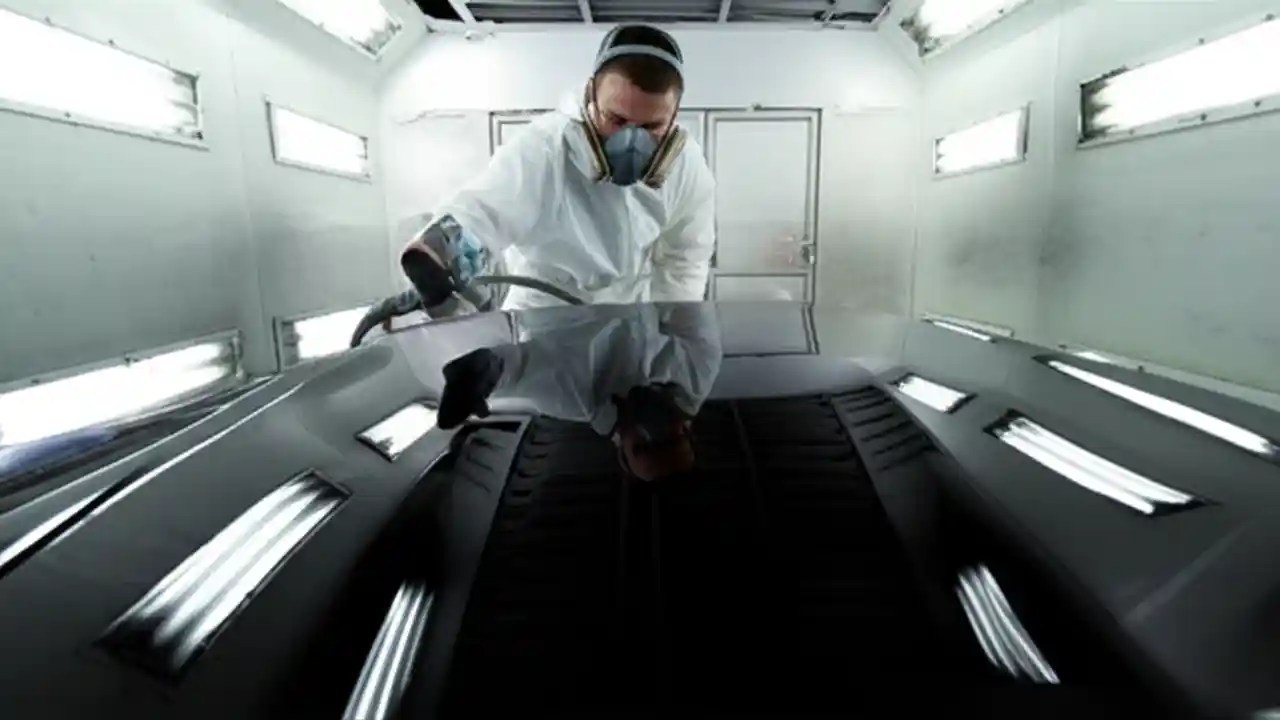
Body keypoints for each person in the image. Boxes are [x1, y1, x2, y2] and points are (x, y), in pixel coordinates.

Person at [400, 24, 716, 314]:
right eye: (616, 120)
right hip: (541, 316)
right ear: (591, 95)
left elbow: (684, 261)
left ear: (674, 117)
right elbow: (486, 212)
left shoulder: (685, 165)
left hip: (627, 317)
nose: (632, 142)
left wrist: (670, 336)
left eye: (652, 127)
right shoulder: (546, 147)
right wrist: (437, 254)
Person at [437, 304, 723, 482]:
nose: (653, 431)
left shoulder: (576, 399)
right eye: (669, 439)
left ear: (621, 450)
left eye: (642, 446)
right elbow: (684, 288)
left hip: (547, 275)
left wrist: (484, 373)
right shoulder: (697, 368)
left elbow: (518, 368)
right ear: (688, 431)